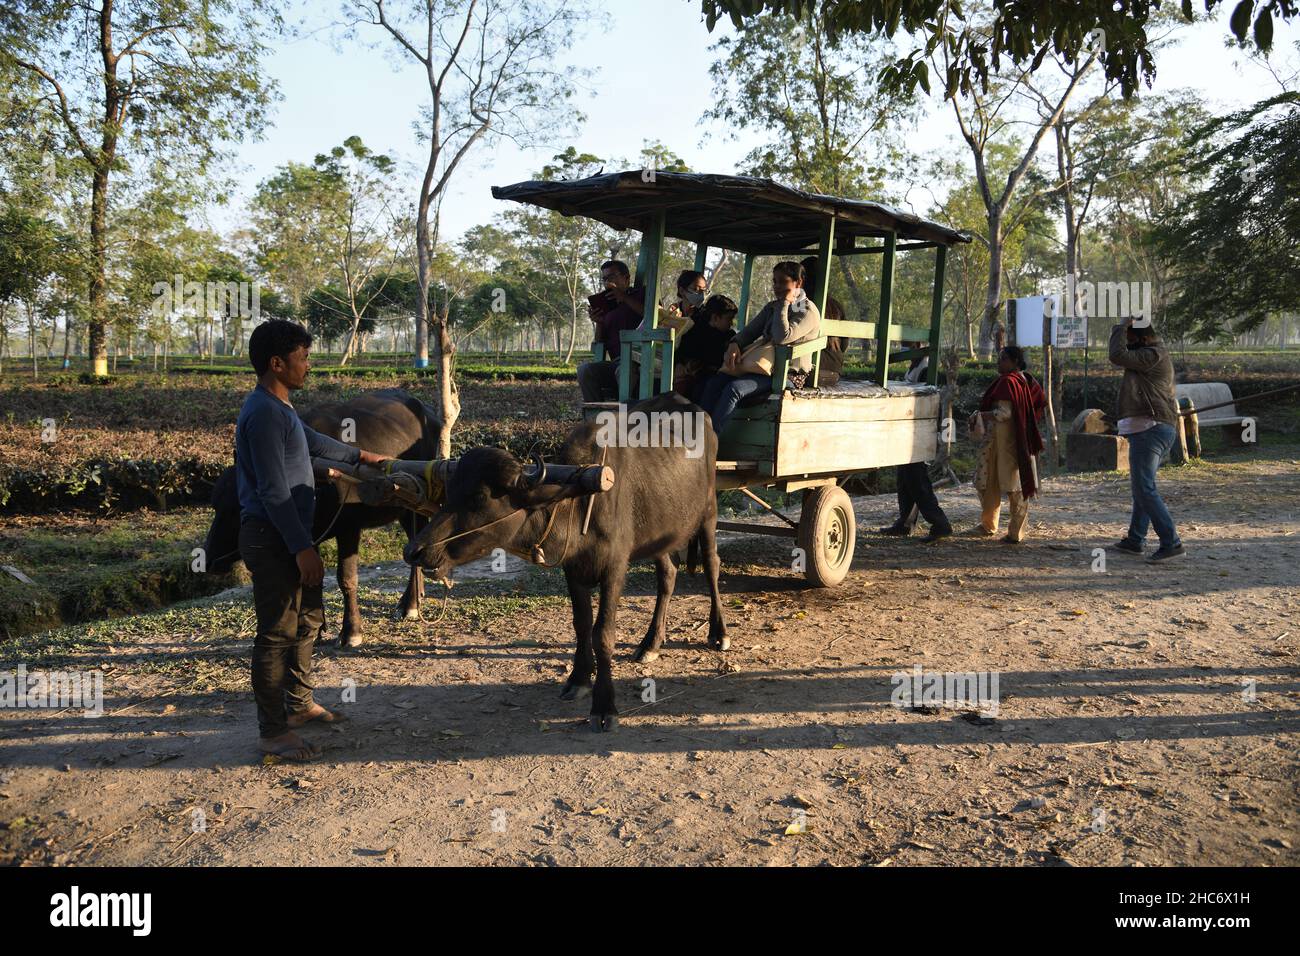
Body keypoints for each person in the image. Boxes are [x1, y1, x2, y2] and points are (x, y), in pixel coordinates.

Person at [236, 320, 392, 761]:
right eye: (303, 358)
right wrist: (301, 547)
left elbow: (313, 442)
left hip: (291, 535)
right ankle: (272, 732)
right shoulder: (264, 414)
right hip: (274, 538)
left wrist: (361, 455)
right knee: (276, 633)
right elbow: (273, 490)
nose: (309, 366)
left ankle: (300, 704)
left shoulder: (280, 408)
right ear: (276, 363)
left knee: (308, 620)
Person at [697, 261, 821, 436]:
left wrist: (785, 304)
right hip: (761, 369)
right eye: (774, 281)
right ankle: (694, 436)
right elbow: (749, 332)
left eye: (782, 282)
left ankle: (711, 442)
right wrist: (735, 344)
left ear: (798, 283)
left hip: (787, 374)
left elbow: (782, 337)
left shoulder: (806, 311)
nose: (776, 287)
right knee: (714, 383)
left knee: (734, 389)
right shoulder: (772, 307)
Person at [1109, 317, 1185, 562]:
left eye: (1130, 339)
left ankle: (1171, 542)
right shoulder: (1149, 355)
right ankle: (1135, 540)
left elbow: (1116, 355)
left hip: (1151, 428)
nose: (1126, 344)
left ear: (1142, 338)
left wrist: (1121, 326)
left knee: (1144, 488)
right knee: (1142, 488)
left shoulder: (1152, 355)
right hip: (1149, 428)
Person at [969, 345, 1046, 543]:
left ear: (1014, 362)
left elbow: (1004, 414)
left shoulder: (1008, 382)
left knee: (1013, 487)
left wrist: (981, 415)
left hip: (1006, 444)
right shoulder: (1026, 380)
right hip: (1010, 442)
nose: (998, 362)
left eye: (1003, 359)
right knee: (989, 483)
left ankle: (1012, 532)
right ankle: (990, 525)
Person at [577, 260, 645, 402]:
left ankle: (624, 414)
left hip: (639, 360)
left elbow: (653, 316)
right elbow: (599, 343)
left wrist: (624, 297)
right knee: (585, 370)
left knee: (624, 371)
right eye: (605, 279)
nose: (607, 282)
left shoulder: (641, 294)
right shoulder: (607, 306)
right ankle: (595, 415)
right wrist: (599, 323)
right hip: (616, 361)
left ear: (626, 278)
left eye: (612, 277)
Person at [673, 293, 738, 402]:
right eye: (729, 319)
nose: (731, 323)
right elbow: (682, 353)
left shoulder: (729, 336)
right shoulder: (693, 331)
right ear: (715, 318)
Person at [800, 256, 846, 386]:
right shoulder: (836, 306)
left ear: (801, 280)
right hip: (834, 373)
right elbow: (844, 345)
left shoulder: (802, 305)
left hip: (810, 373)